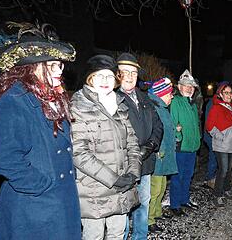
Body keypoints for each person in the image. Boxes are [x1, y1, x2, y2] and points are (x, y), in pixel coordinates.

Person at [0, 22, 81, 239]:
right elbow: (5, 159)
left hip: (60, 201)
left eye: (61, 65)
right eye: (54, 65)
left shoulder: (51, 98)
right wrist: (43, 185)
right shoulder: (15, 100)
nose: (60, 70)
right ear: (34, 66)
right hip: (34, 208)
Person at [71, 55, 142, 240]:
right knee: (93, 236)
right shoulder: (79, 106)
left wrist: (133, 173)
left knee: (118, 234)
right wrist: (113, 179)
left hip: (122, 187)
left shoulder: (120, 106)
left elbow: (132, 143)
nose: (105, 81)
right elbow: (79, 152)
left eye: (110, 76)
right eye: (99, 75)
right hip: (94, 190)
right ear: (90, 78)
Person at [116, 52, 163, 240]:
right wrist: (134, 152)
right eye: (125, 72)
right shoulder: (112, 98)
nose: (129, 77)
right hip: (124, 164)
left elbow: (158, 125)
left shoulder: (145, 98)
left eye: (133, 73)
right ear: (117, 75)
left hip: (145, 161)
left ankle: (140, 236)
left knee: (143, 202)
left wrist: (150, 145)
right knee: (124, 206)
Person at [147, 77, 178, 232]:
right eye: (170, 94)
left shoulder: (162, 108)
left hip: (165, 154)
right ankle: (149, 220)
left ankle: (157, 212)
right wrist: (158, 150)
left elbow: (167, 129)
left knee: (162, 186)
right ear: (162, 94)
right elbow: (154, 132)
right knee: (155, 189)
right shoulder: (155, 108)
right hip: (159, 155)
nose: (172, 96)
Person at [169, 69, 202, 216]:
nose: (189, 88)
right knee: (178, 176)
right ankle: (175, 204)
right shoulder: (176, 101)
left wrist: (198, 138)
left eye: (192, 86)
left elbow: (196, 124)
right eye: (186, 85)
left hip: (192, 146)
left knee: (188, 175)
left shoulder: (193, 104)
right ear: (180, 87)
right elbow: (172, 122)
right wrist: (178, 135)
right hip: (181, 146)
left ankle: (184, 199)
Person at [206, 83, 232, 206]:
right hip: (222, 145)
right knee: (223, 170)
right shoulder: (216, 107)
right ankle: (217, 195)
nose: (229, 95)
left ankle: (226, 190)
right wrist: (220, 137)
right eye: (226, 92)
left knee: (228, 170)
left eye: (231, 93)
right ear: (221, 94)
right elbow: (209, 126)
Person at [202, 81, 230, 190]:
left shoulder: (224, 103)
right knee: (214, 157)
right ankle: (210, 179)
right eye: (225, 91)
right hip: (212, 136)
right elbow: (211, 122)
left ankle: (216, 178)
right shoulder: (212, 103)